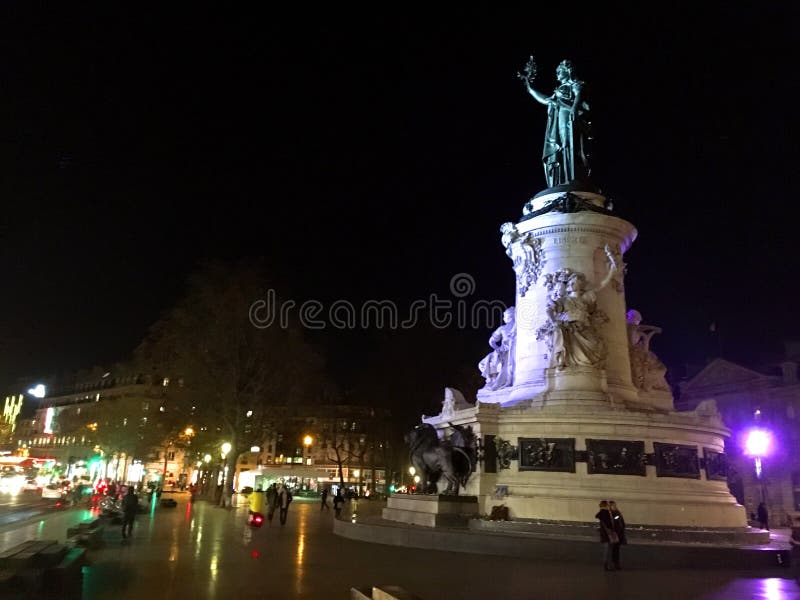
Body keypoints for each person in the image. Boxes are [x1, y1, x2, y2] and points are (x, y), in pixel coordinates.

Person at [521, 58, 592, 188]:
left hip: (568, 115)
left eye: (560, 71)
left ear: (568, 71)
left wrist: (574, 110)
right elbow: (546, 100)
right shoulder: (559, 90)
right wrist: (530, 89)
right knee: (560, 147)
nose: (557, 74)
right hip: (559, 118)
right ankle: (563, 178)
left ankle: (573, 177)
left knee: (568, 145)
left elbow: (578, 96)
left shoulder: (575, 85)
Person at [478, 307, 516, 390]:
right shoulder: (518, 326)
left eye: (504, 316)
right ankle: (494, 380)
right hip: (510, 351)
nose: (503, 318)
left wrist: (497, 348)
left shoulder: (502, 328)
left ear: (509, 316)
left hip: (503, 351)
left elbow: (491, 341)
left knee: (482, 364)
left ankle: (493, 380)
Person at [595, 500, 618, 571]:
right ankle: (607, 565)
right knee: (608, 550)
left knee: (607, 549)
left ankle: (607, 565)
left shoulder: (602, 513)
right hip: (608, 533)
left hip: (605, 533)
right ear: (605, 505)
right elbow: (609, 523)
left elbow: (598, 517)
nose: (609, 506)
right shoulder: (606, 513)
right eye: (608, 505)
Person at [608, 500, 626, 570]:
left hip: (618, 534)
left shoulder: (617, 513)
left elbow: (621, 522)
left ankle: (616, 564)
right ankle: (612, 564)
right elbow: (614, 522)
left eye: (615, 505)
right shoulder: (611, 514)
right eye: (613, 505)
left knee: (616, 550)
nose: (615, 506)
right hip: (613, 535)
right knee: (612, 550)